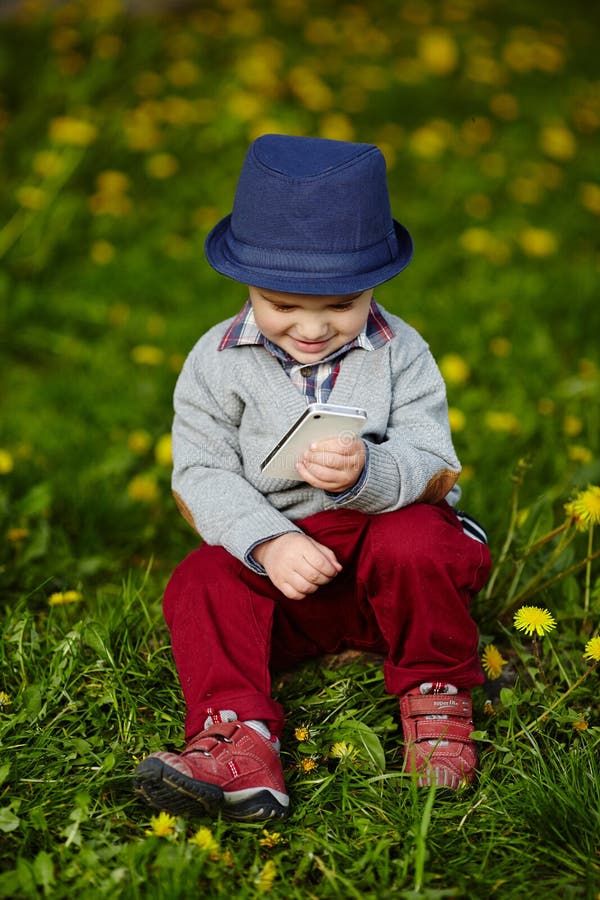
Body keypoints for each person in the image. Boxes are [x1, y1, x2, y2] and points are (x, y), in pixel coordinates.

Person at [134, 134, 492, 821]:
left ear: (375, 283)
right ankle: (239, 738)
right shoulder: (214, 363)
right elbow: (201, 473)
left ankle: (437, 693)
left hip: (385, 569)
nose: (312, 327)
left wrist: (368, 472)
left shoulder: (401, 353)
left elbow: (436, 463)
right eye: (283, 305)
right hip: (286, 584)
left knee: (419, 538)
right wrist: (269, 542)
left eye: (340, 305)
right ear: (245, 283)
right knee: (201, 581)